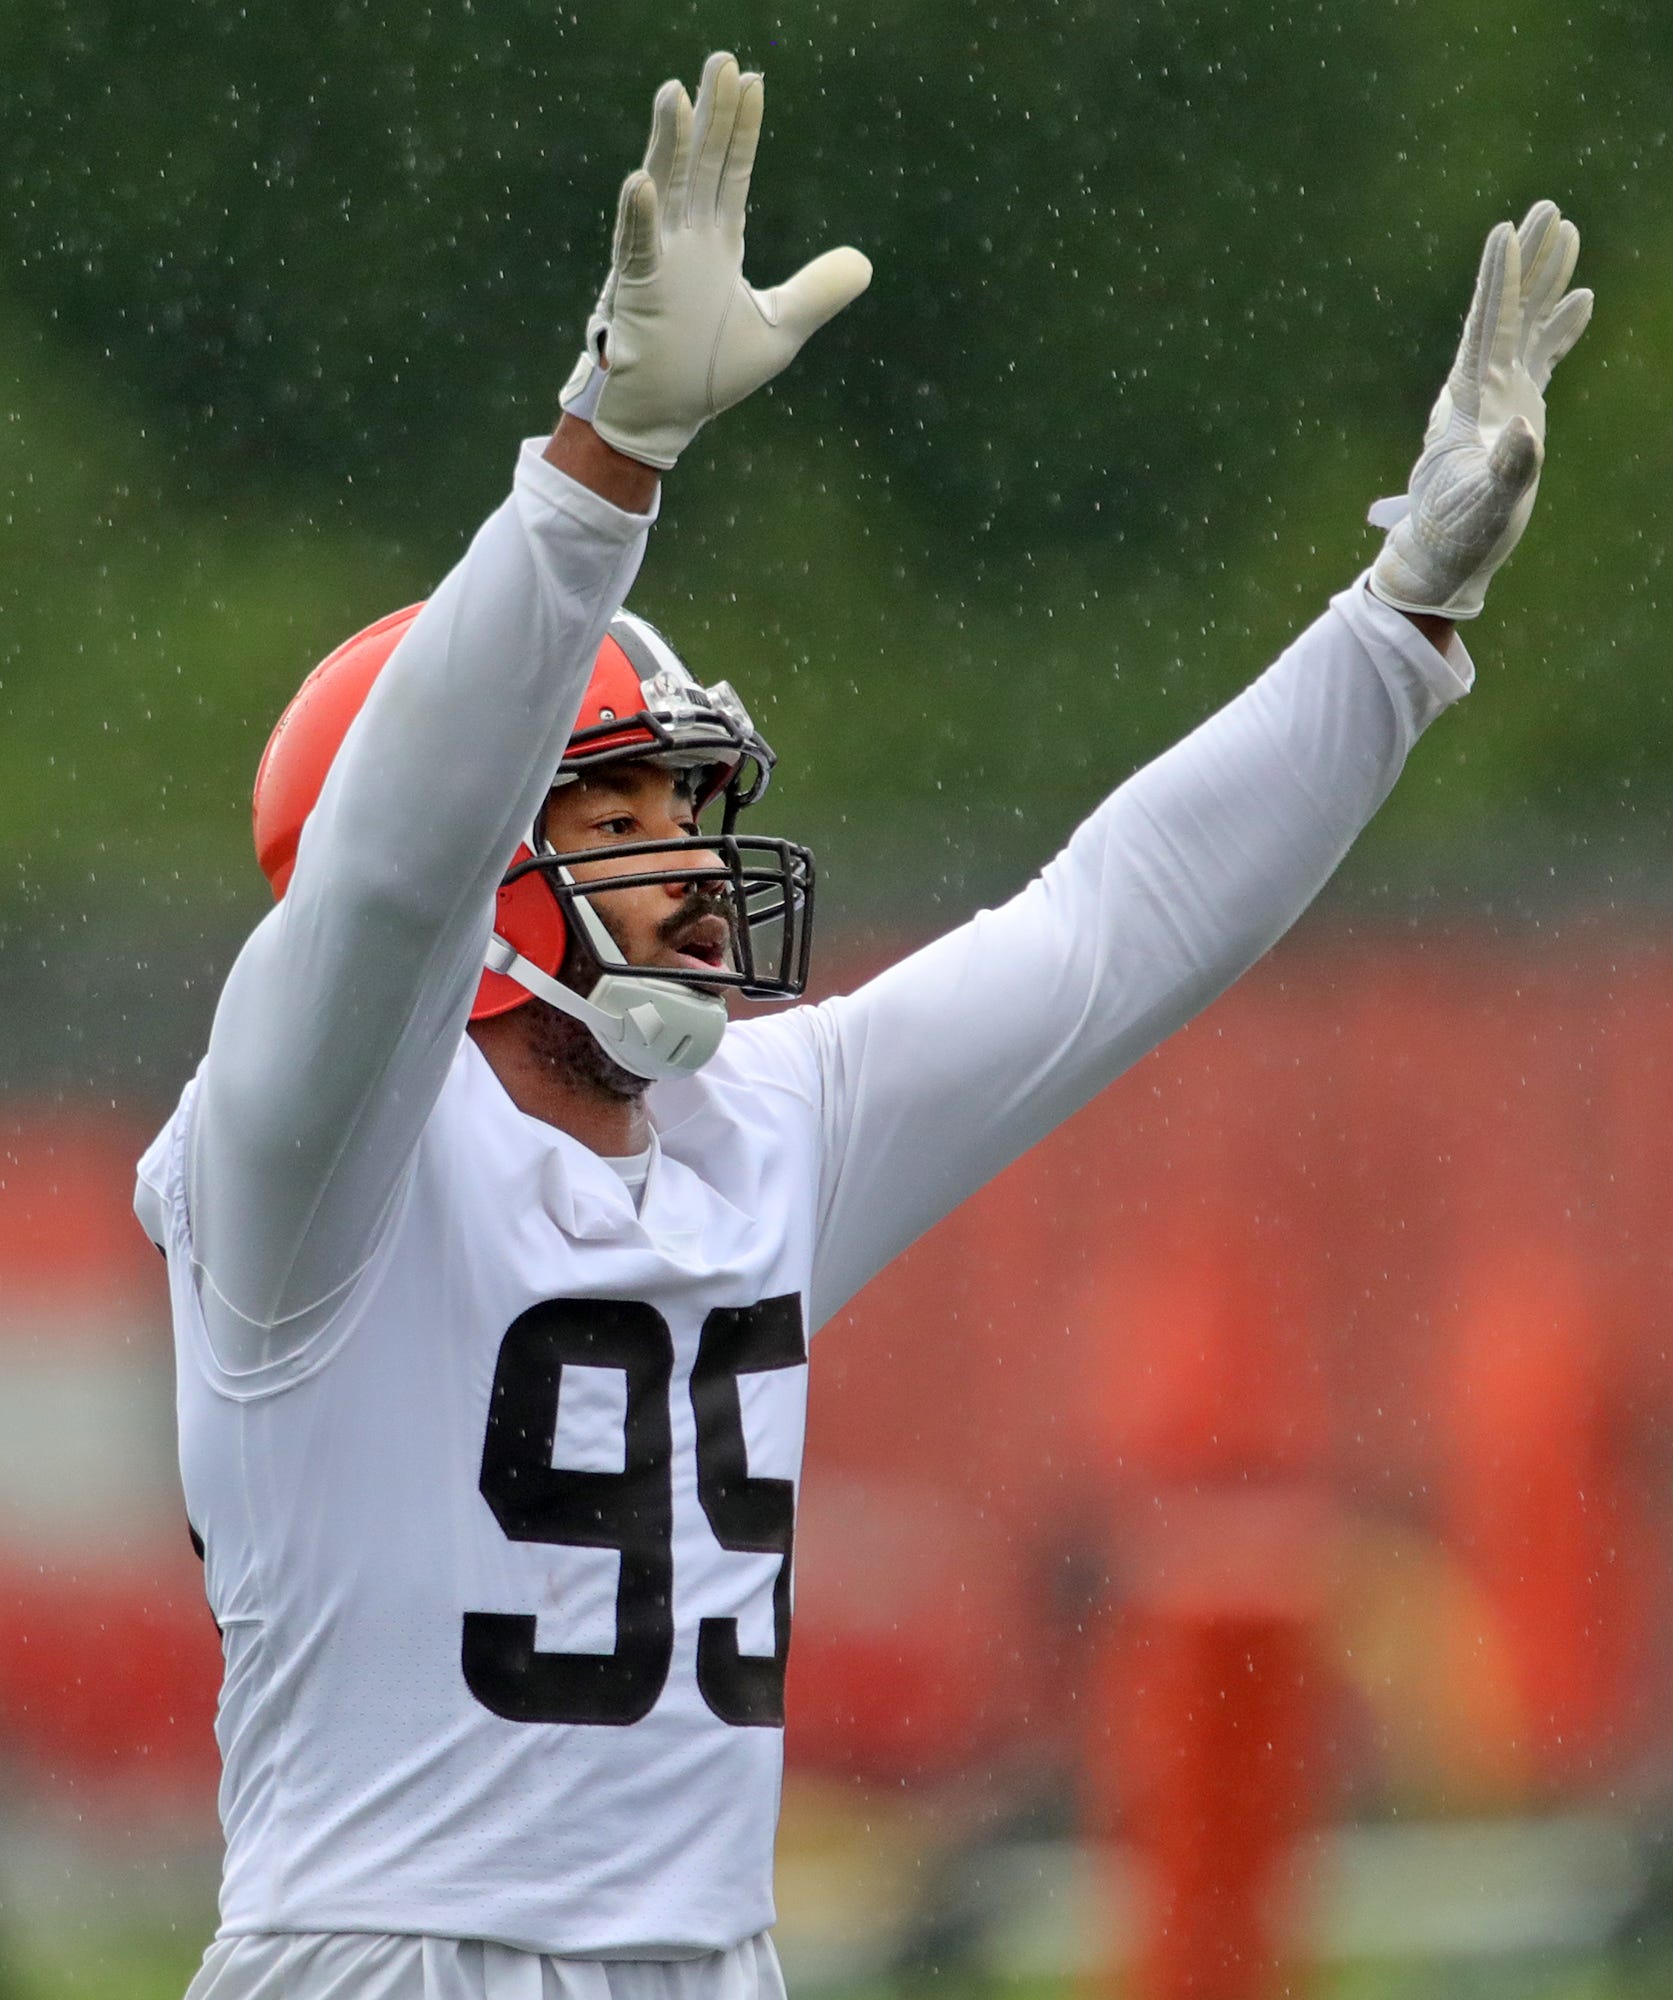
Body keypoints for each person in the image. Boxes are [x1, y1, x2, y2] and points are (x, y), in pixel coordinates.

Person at [134, 47, 1591, 2000]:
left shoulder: (757, 1128)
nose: (684, 862)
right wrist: (596, 470)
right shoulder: (313, 1168)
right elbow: (387, 875)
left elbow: (1110, 932)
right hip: (389, 1960)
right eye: (615, 812)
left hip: (712, 1960)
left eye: (686, 810)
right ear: (484, 847)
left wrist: (1399, 628)